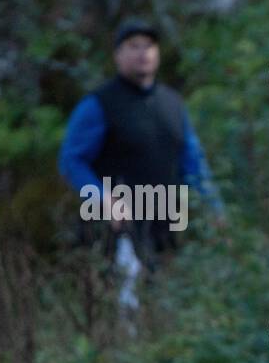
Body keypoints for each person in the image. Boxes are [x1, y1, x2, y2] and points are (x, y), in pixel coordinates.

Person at [57, 20, 224, 316]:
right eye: (133, 46)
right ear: (118, 55)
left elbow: (193, 162)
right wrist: (102, 199)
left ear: (157, 54)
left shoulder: (172, 104)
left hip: (169, 226)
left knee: (170, 310)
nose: (142, 53)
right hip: (115, 232)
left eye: (148, 46)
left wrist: (214, 210)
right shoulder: (99, 105)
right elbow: (72, 160)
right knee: (121, 314)